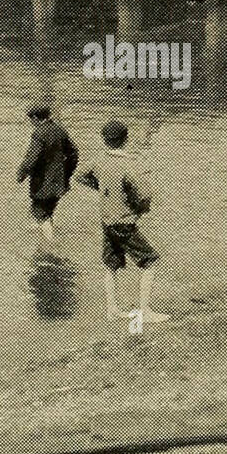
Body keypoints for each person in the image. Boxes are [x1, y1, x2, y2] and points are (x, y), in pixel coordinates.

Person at [77, 121, 165, 323]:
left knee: (110, 264)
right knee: (151, 261)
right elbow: (144, 195)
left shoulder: (99, 160)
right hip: (124, 222)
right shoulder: (129, 164)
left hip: (106, 221)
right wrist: (140, 208)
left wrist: (101, 188)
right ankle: (144, 311)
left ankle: (112, 310)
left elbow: (80, 175)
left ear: (104, 140)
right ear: (126, 139)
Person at [16, 103, 79, 241]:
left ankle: (50, 246)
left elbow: (31, 158)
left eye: (31, 119)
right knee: (45, 211)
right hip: (59, 182)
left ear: (35, 118)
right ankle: (38, 241)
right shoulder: (59, 129)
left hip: (43, 183)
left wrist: (21, 174)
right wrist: (66, 173)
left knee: (40, 214)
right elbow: (74, 154)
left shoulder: (39, 133)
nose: (31, 123)